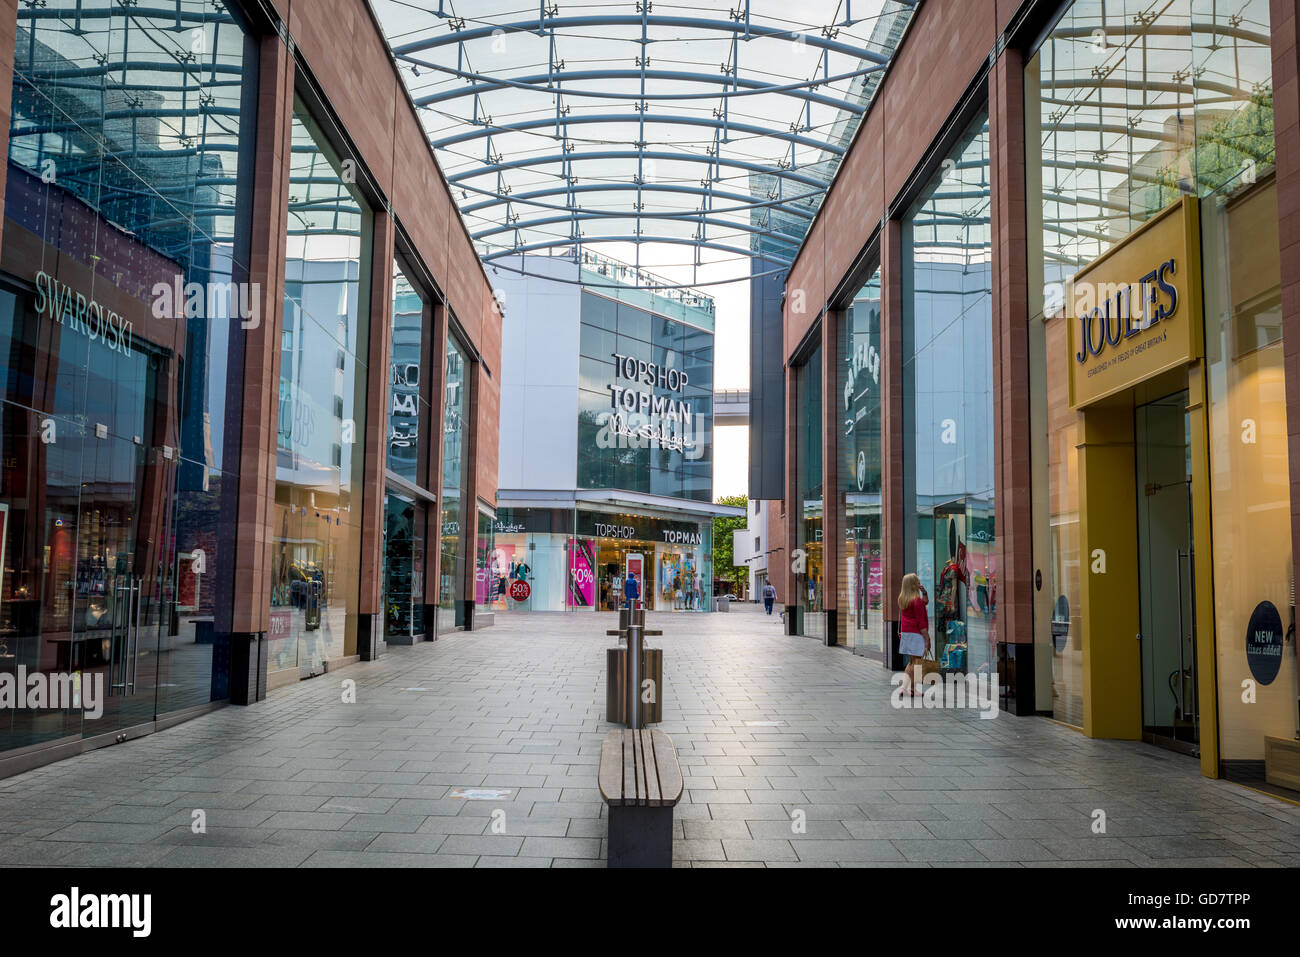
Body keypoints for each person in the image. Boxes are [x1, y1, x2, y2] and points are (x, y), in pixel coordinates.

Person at [898, 573, 931, 697]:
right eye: (917, 581)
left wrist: (925, 593)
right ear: (913, 584)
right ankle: (913, 689)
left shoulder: (903, 599)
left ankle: (903, 688)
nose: (919, 582)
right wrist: (927, 638)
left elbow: (925, 603)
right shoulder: (916, 601)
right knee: (916, 663)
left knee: (911, 662)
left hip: (906, 633)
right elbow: (921, 621)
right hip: (916, 634)